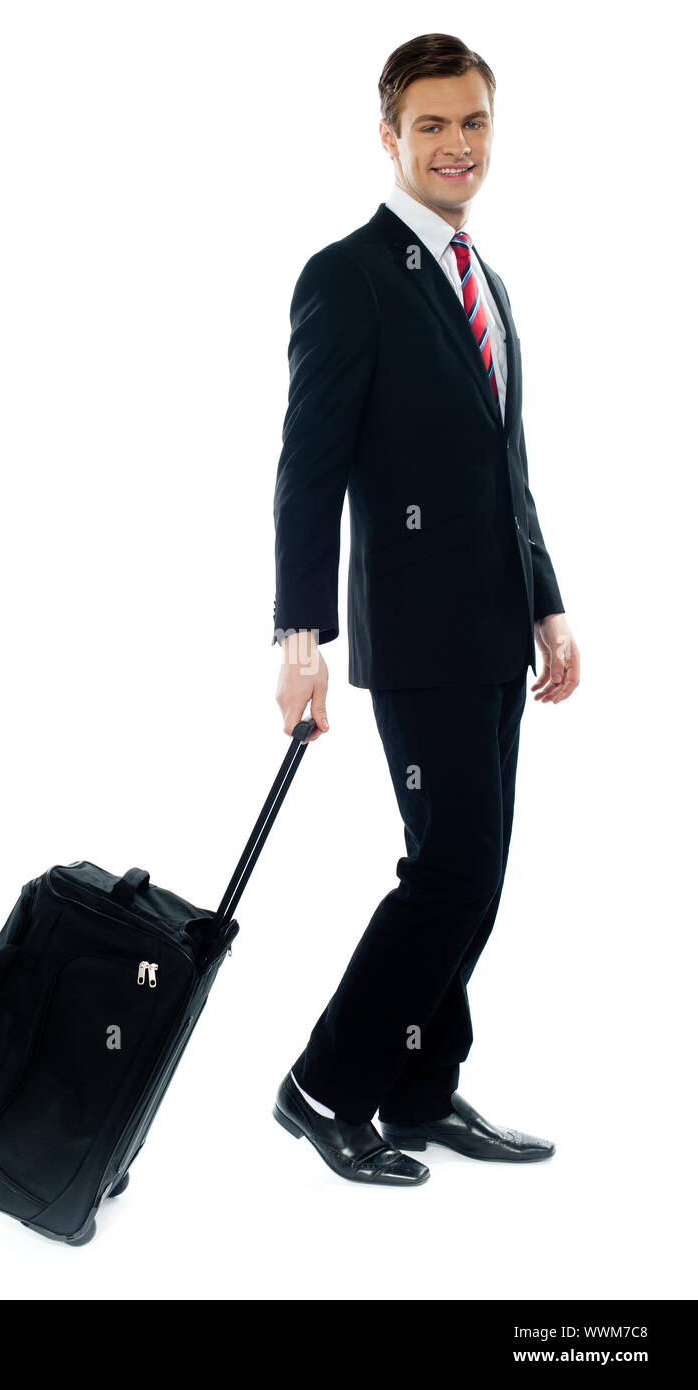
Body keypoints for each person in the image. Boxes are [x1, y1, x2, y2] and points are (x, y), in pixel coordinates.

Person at [271, 33, 580, 1186]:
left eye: (475, 123)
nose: (458, 146)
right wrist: (297, 641)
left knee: (474, 872)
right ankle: (320, 1086)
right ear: (390, 135)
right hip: (414, 637)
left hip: (497, 631)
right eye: (433, 125)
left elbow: (509, 464)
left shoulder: (483, 279)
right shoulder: (345, 276)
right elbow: (307, 470)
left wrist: (546, 603)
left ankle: (418, 1087)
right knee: (447, 872)